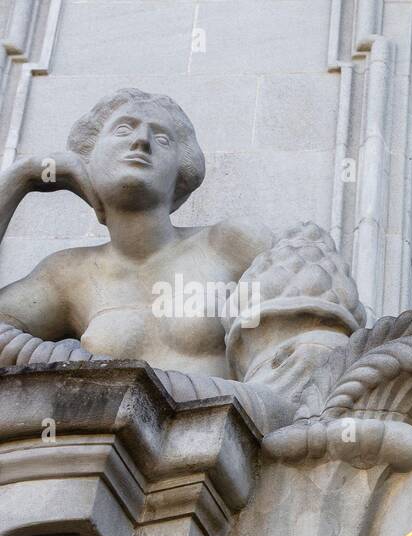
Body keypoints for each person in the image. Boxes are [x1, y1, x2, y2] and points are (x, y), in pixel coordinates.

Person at [0, 88, 271, 378]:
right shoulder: (67, 274)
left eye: (162, 138)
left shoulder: (229, 243)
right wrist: (22, 176)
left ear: (181, 174)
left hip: (215, 418)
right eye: (123, 130)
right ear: (87, 160)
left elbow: (303, 340)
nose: (141, 141)